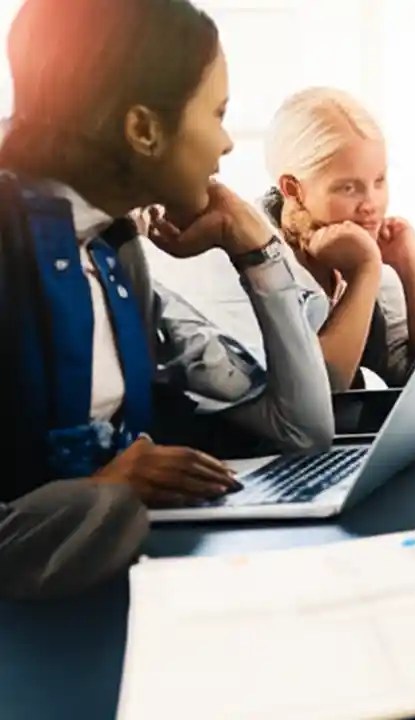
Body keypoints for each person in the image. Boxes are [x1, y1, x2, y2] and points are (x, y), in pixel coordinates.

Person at [0, 0, 333, 597]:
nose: (227, 143)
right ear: (144, 130)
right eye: (217, 113)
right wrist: (99, 490)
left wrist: (258, 249)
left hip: (109, 597)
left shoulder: (116, 252)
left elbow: (302, 428)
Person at [257, 87, 415, 391]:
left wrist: (411, 270)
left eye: (379, 181)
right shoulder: (260, 262)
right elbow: (319, 394)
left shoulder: (365, 250)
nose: (371, 204)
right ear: (293, 189)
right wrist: (364, 272)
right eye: (348, 188)